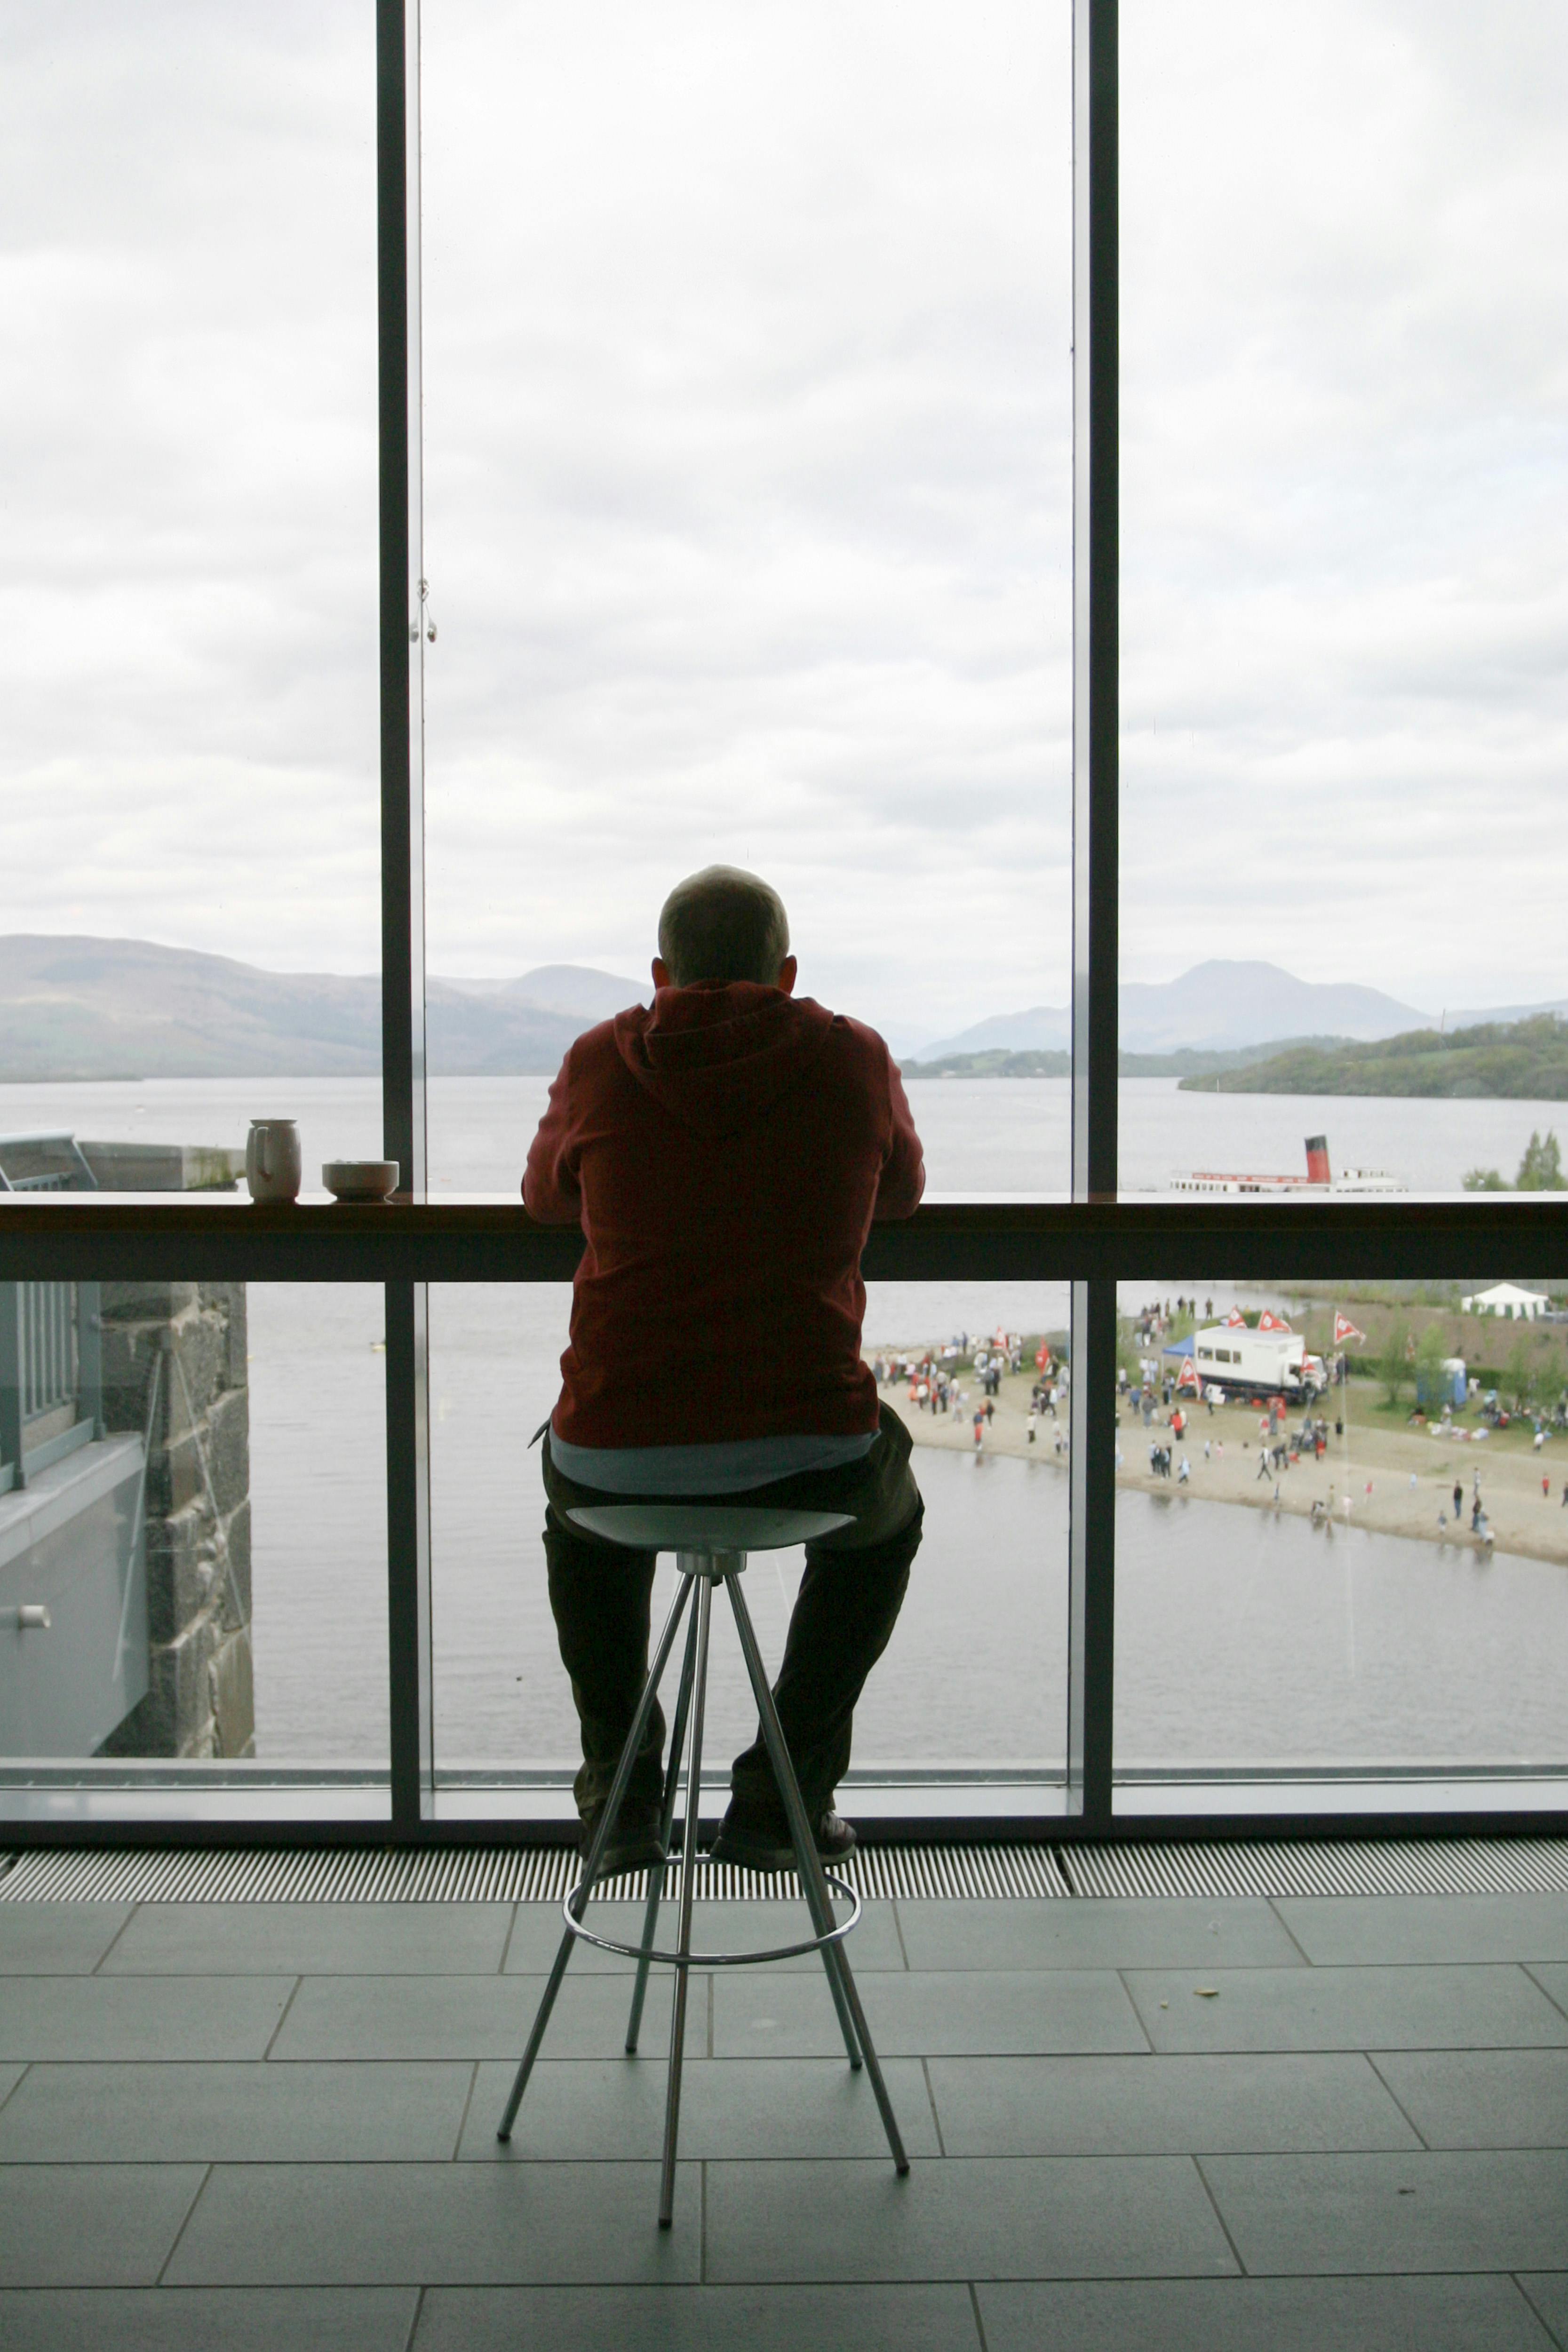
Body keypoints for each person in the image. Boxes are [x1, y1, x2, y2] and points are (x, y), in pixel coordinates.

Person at [524, 866, 925, 1876]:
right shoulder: (854, 1058)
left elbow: (541, 1201)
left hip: (616, 1455)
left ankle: (619, 1796)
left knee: (579, 1518)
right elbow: (905, 1195)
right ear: (786, 974)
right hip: (813, 1458)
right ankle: (781, 1798)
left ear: (660, 975)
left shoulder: (596, 1060)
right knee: (889, 1518)